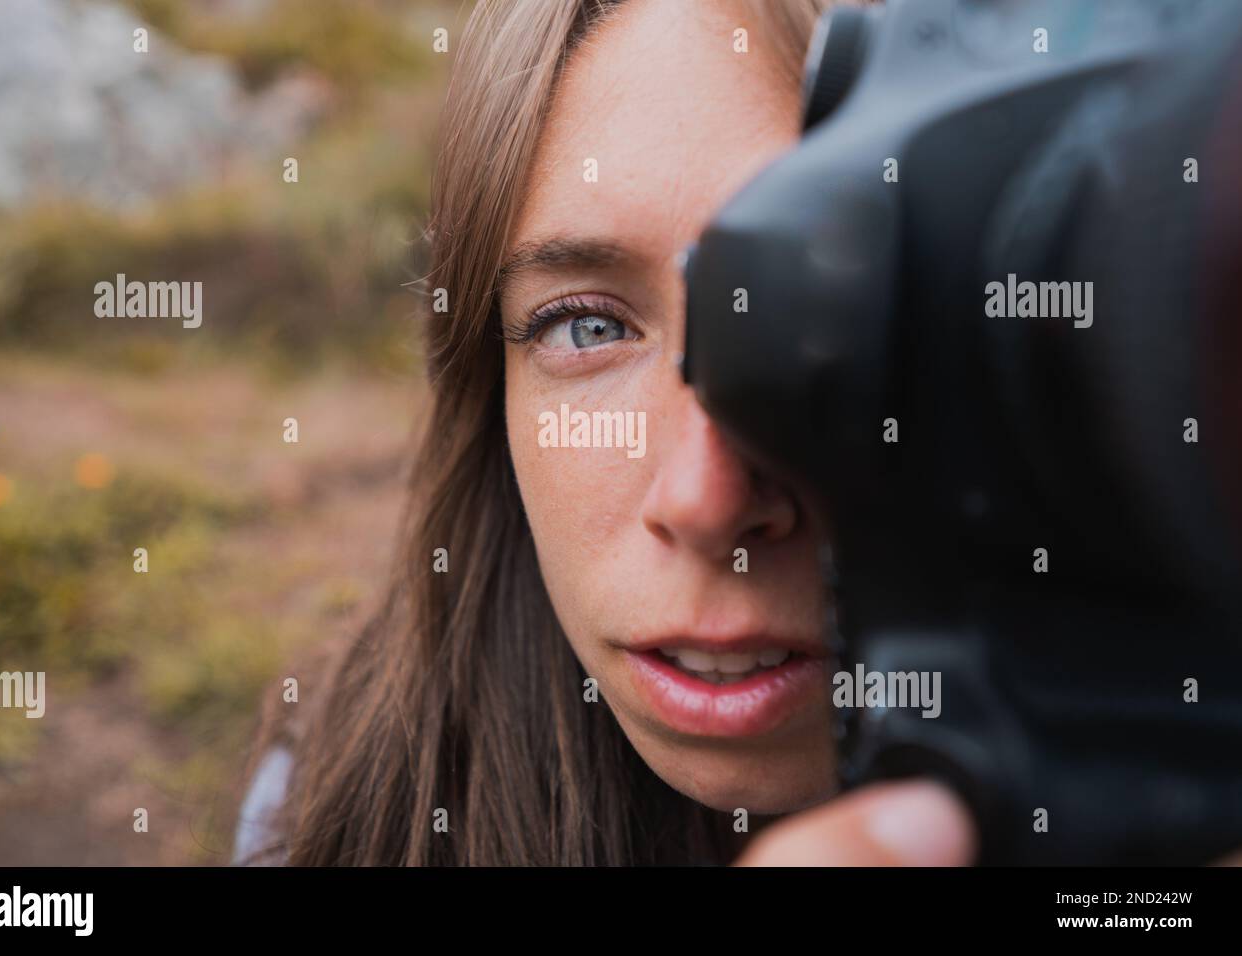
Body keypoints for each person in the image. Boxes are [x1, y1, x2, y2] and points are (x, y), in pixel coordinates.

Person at [233, 0, 978, 867]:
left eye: (841, 316)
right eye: (586, 326)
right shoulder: (325, 810)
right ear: (490, 385)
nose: (707, 498)